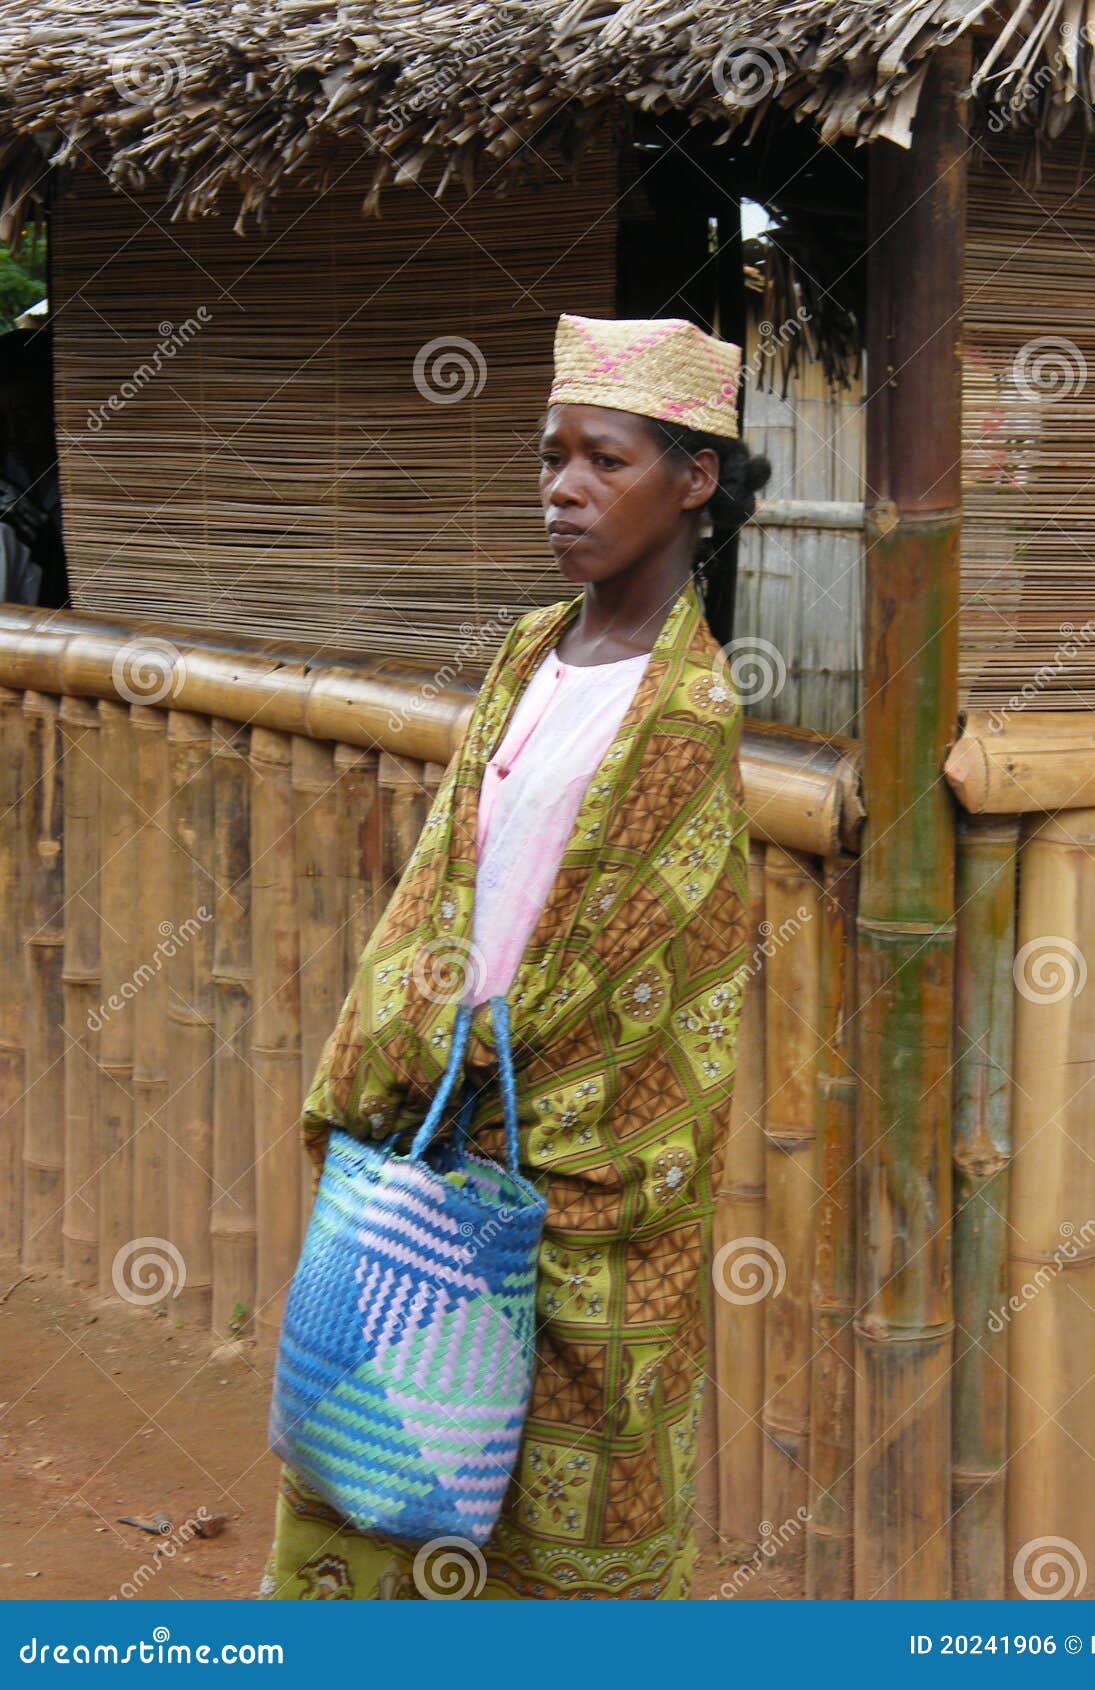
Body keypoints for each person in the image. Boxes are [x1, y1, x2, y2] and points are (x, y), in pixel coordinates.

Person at [259, 313, 770, 1600]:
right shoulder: (527, 654)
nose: (564, 488)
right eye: (552, 457)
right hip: (437, 1118)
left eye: (606, 459)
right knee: (379, 1449)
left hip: (573, 1165)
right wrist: (411, 1050)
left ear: (695, 478)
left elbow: (655, 980)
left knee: (554, 1506)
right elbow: (445, 891)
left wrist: (516, 1107)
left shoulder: (687, 712)